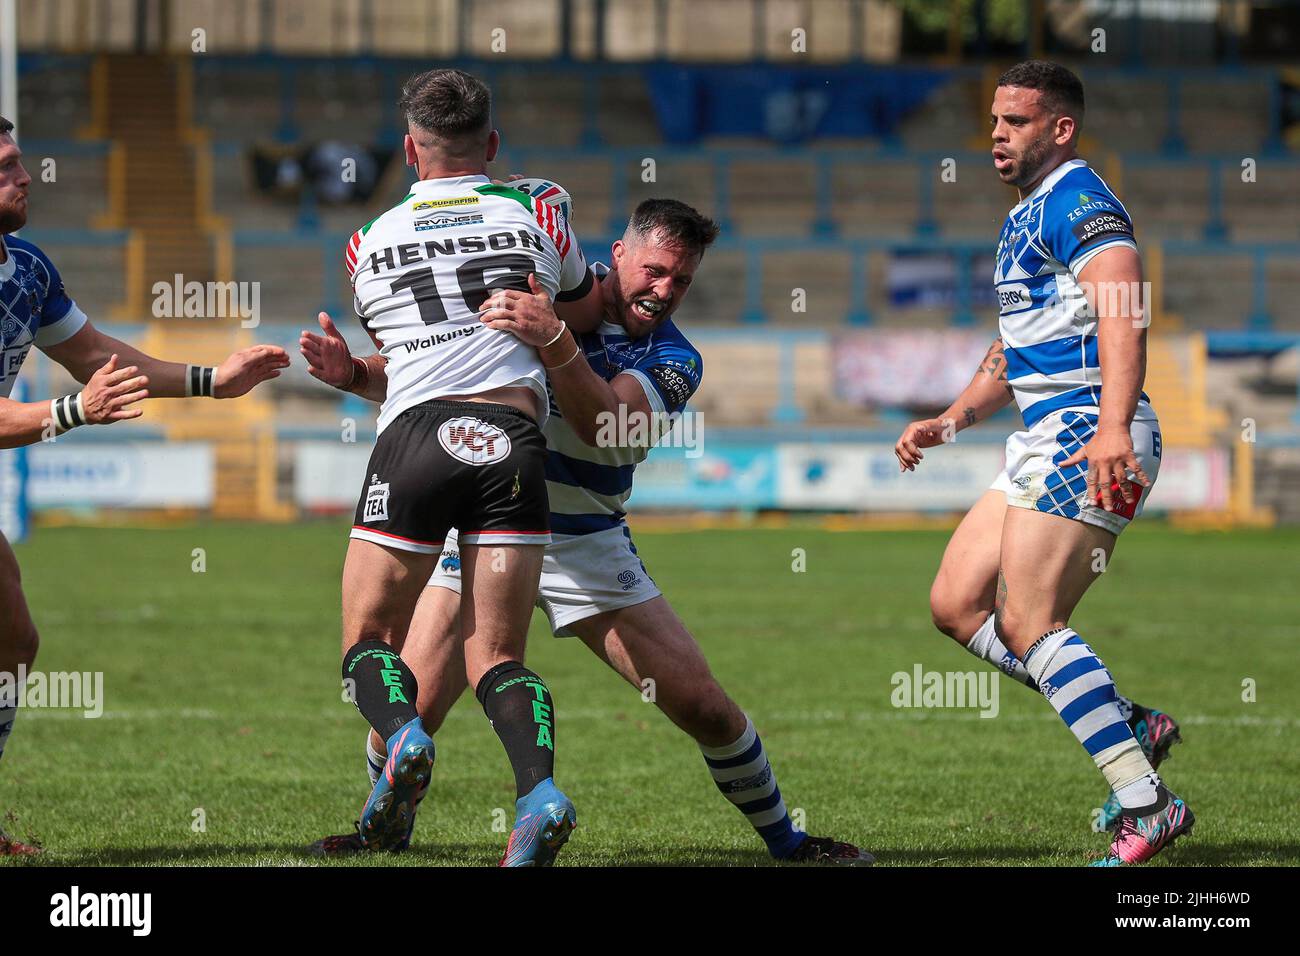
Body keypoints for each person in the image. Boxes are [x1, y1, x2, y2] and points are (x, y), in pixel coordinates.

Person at [304, 197, 873, 866]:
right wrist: (355, 375)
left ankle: (789, 842)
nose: (664, 292)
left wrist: (553, 342)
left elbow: (609, 424)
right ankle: (385, 828)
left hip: (585, 542)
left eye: (682, 281)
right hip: (488, 526)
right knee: (410, 717)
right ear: (619, 256)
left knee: (705, 710)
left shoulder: (673, 357)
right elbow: (441, 373)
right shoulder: (543, 287)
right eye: (656, 271)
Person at [893, 61, 1189, 866]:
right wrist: (953, 417)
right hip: (1044, 432)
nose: (996, 133)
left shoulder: (1081, 203)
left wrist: (1115, 427)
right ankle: (1129, 722)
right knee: (956, 604)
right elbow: (1013, 343)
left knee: (1028, 621)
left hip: (1089, 427)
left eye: (1016, 122)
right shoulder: (1027, 213)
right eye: (994, 120)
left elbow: (1124, 311)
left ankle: (1147, 804)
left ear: (1060, 128)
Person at [322, 69, 603, 866]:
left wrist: (350, 373)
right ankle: (538, 794)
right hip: (512, 437)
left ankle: (405, 733)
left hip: (413, 437)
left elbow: (407, 346)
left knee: (368, 638)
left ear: (410, 150)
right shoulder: (537, 212)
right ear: (494, 144)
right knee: (498, 657)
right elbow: (580, 311)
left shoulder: (367, 240)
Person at [0, 115, 290, 855]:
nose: (26, 177)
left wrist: (211, 381)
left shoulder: (26, 268)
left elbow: (94, 353)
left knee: (12, 642)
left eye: (21, 162)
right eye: (6, 167)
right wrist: (70, 412)